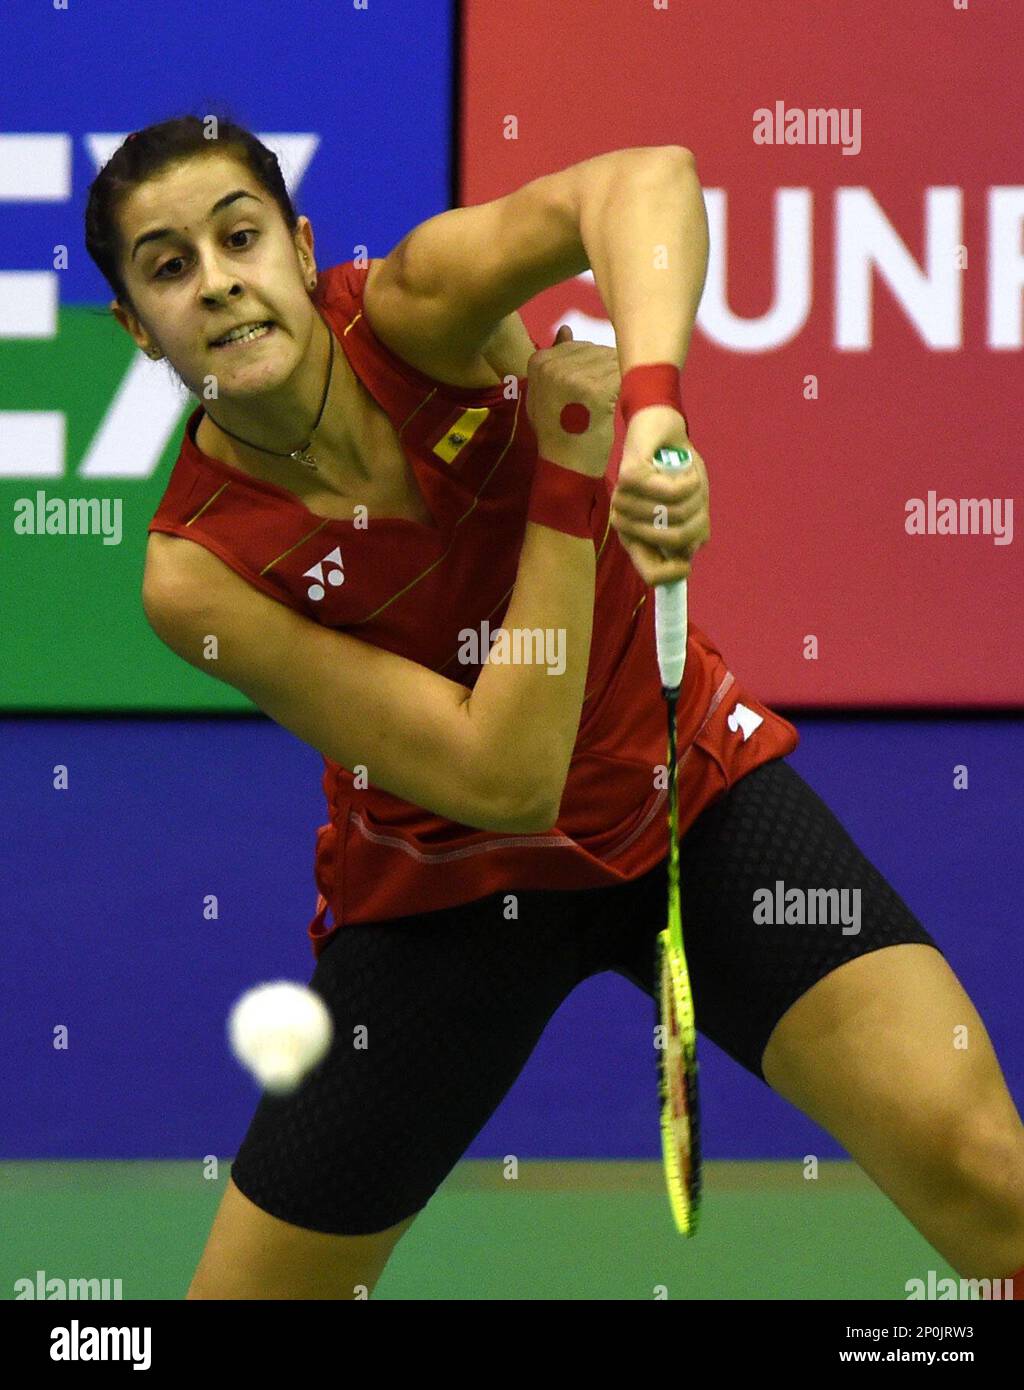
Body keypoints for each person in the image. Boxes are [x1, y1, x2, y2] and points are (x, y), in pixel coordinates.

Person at [85, 114, 1024, 1300]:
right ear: (134, 324)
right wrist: (573, 467)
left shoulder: (420, 306)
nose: (219, 283)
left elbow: (644, 177)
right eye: (170, 268)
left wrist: (655, 406)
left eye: (240, 237)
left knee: (985, 1168)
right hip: (449, 886)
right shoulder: (196, 568)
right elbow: (501, 778)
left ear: (300, 244)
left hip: (682, 790)